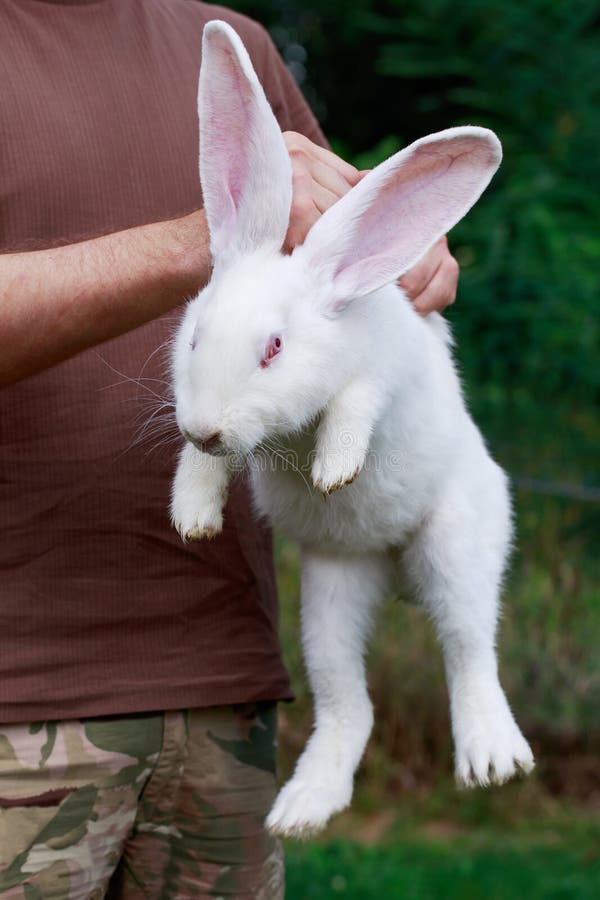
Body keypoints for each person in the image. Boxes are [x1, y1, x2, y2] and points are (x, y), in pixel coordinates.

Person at [0, 0, 459, 896]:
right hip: (18, 704)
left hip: (222, 692)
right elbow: (244, 235)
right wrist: (196, 244)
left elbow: (325, 286)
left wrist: (411, 265)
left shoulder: (227, 42)